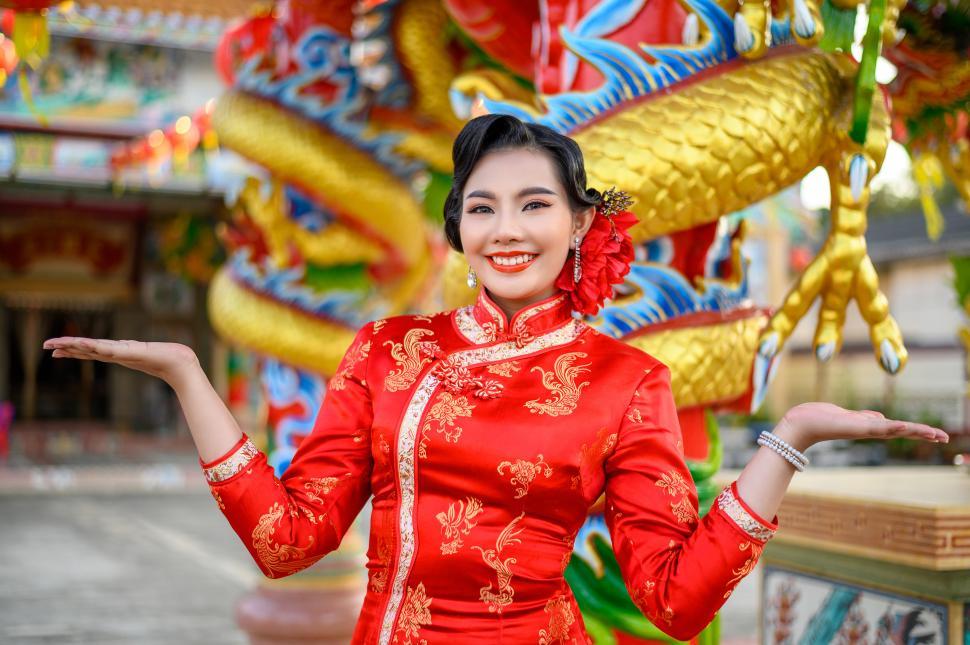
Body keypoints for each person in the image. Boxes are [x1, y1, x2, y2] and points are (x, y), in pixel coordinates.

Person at [43, 114, 947, 644]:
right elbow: (287, 541)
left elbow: (675, 599)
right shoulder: (387, 350)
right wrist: (189, 376)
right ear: (459, 228)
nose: (506, 229)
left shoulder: (626, 381)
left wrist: (789, 444)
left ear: (581, 223)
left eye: (534, 204)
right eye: (483, 206)